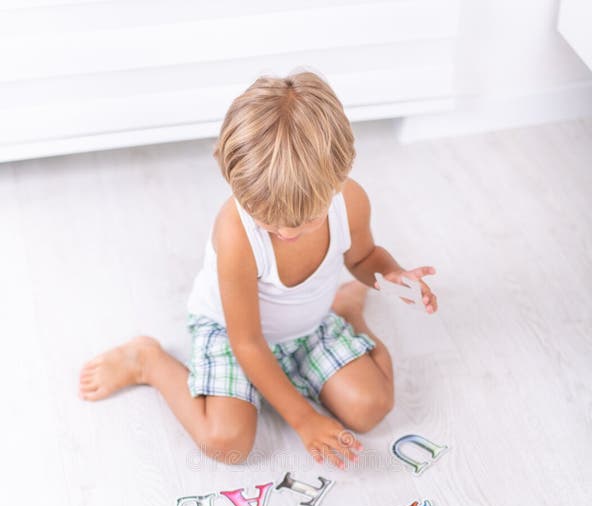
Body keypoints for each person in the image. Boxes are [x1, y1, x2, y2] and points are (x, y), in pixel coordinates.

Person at [79, 70, 437, 468]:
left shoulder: (348, 200)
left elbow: (362, 257)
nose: (285, 231)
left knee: (373, 407)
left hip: (310, 326)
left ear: (337, 181)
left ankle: (346, 309)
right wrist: (304, 420)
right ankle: (147, 360)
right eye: (267, 219)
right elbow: (247, 341)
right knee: (226, 444)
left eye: (304, 221)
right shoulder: (235, 234)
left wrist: (390, 276)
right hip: (235, 334)